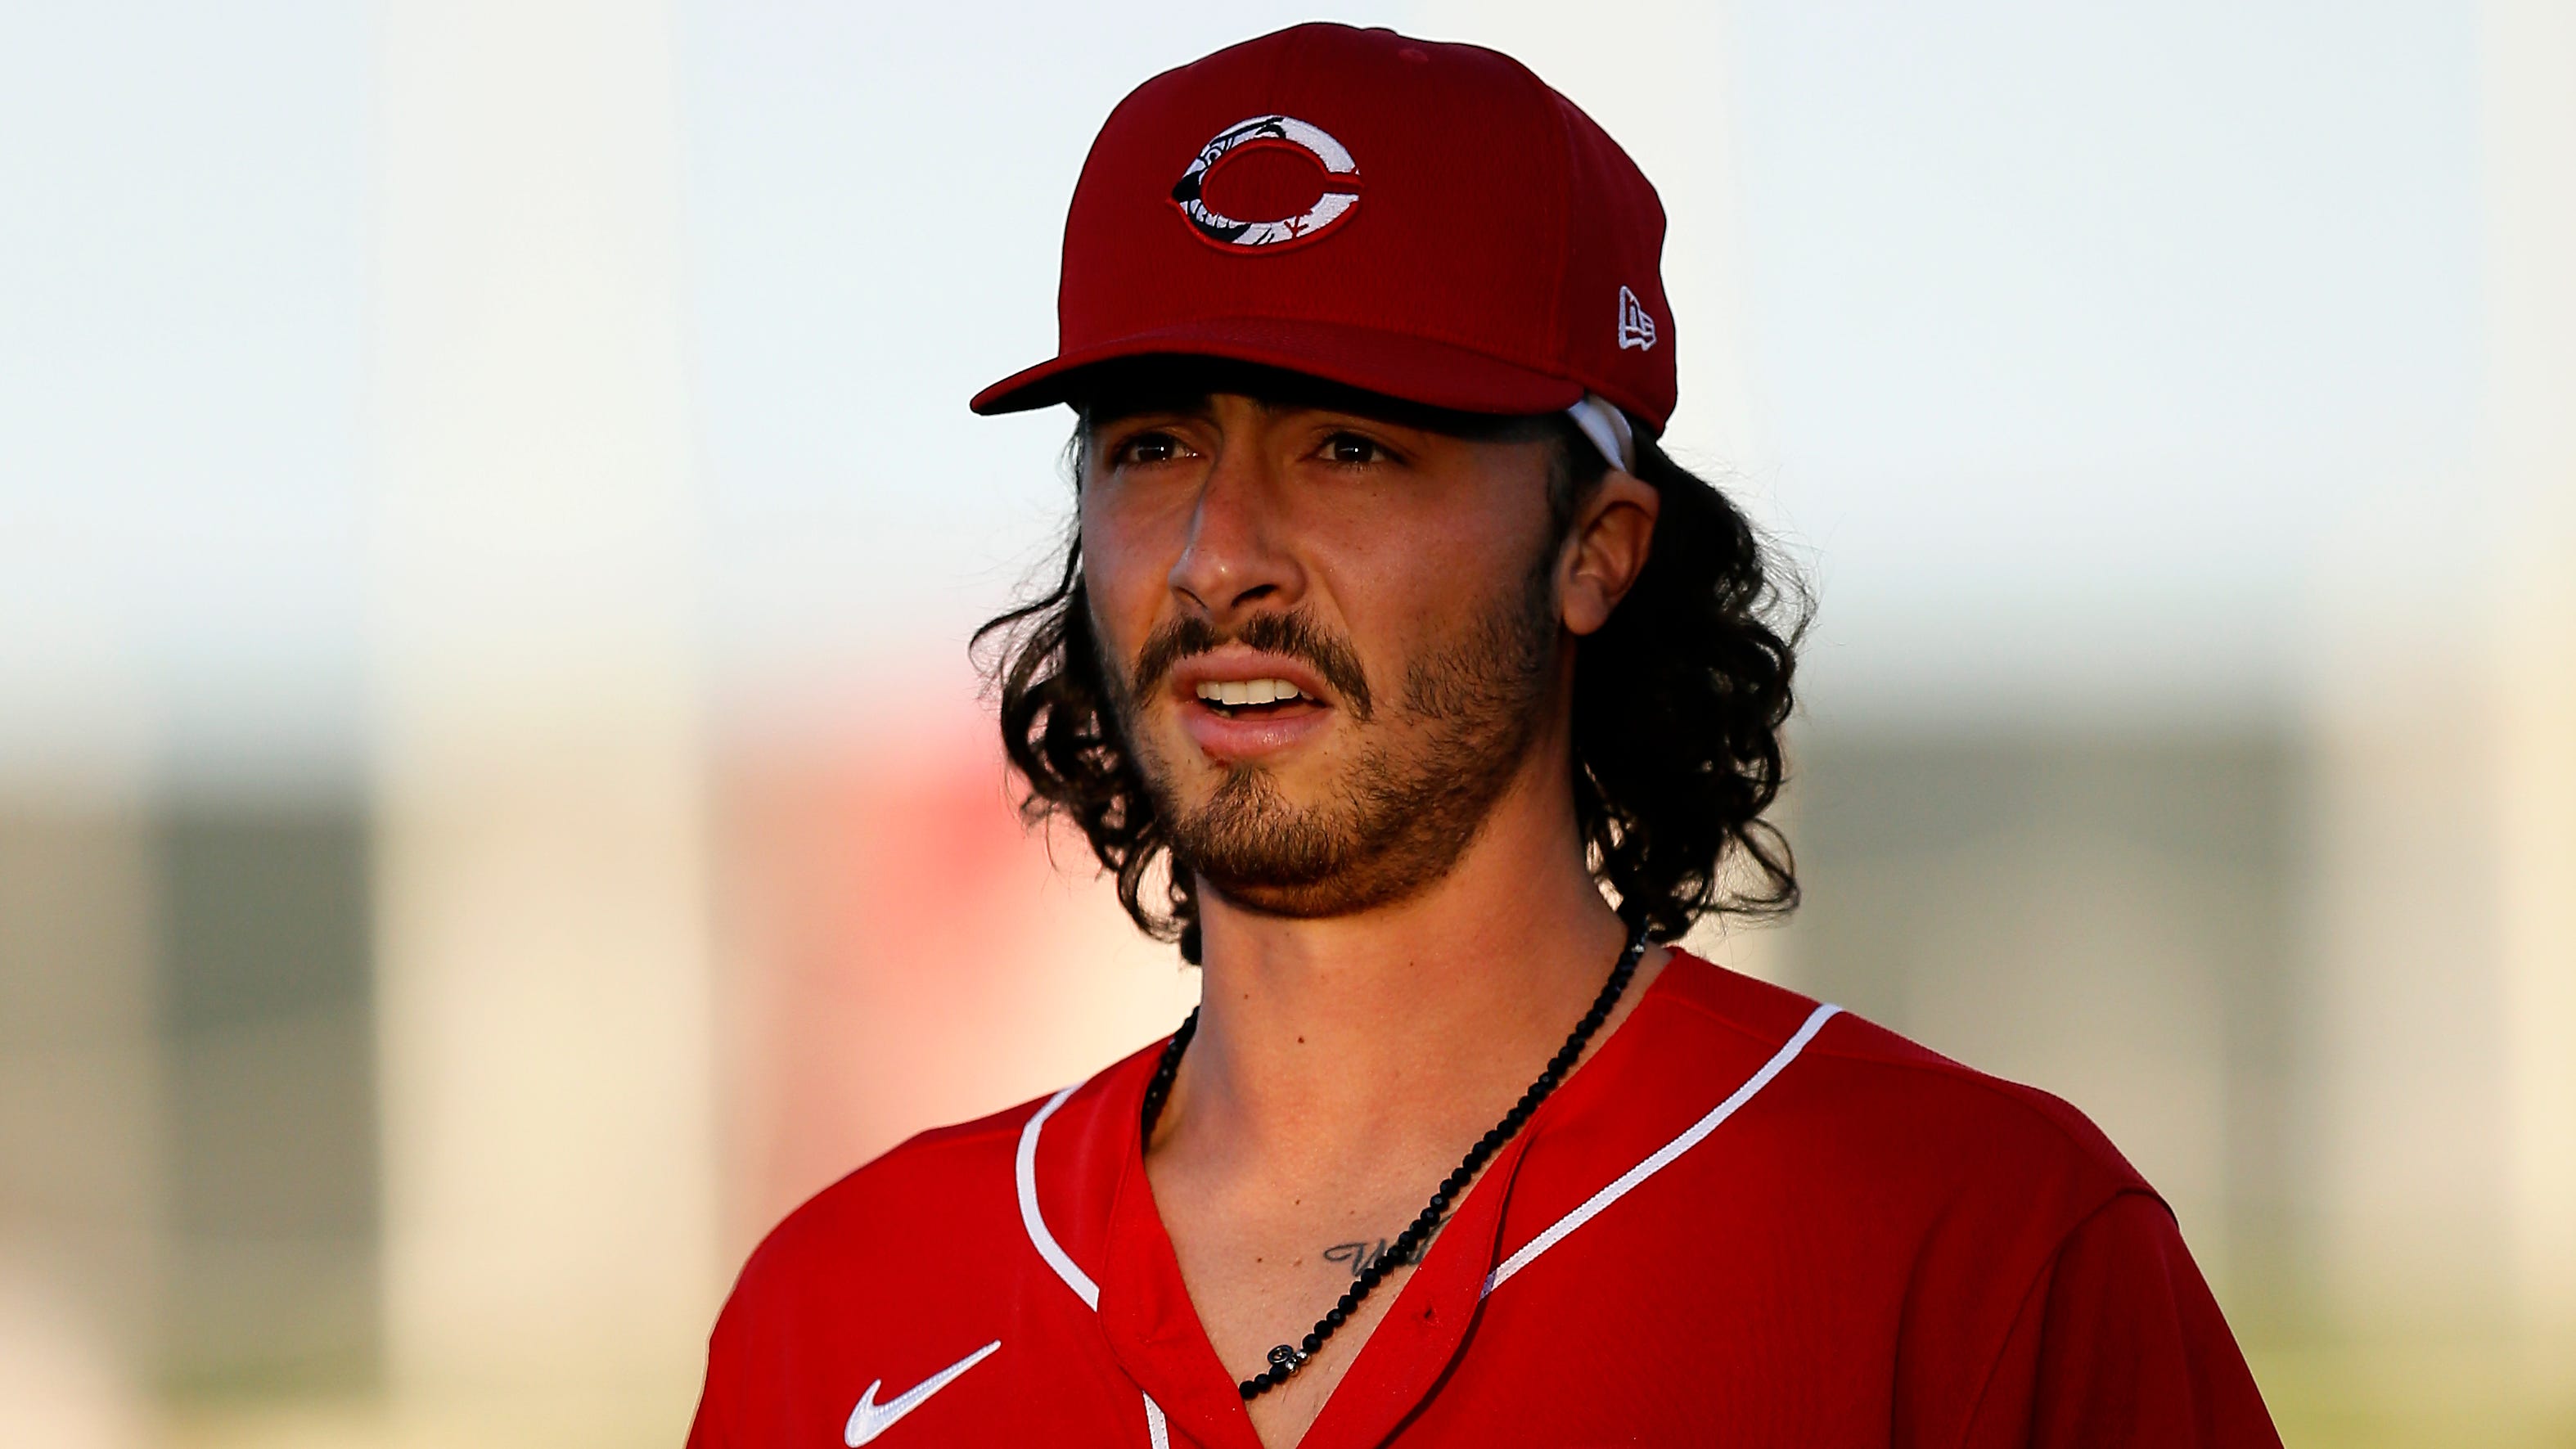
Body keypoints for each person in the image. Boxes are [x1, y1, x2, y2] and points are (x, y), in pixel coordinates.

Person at [687, 22, 2281, 1448]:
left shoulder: (1972, 1248)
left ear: (1597, 544)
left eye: (1350, 447)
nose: (1217, 550)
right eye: (1152, 443)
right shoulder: (845, 1309)